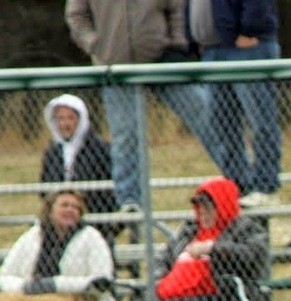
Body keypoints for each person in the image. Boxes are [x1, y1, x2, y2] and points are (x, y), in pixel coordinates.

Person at [73, 176, 267, 301]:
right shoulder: (190, 231)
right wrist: (160, 282)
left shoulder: (246, 229)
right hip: (177, 299)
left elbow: (254, 256)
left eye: (209, 208)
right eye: (200, 208)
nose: (203, 213)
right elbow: (164, 261)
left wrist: (213, 248)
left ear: (223, 205)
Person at [65, 0, 227, 212]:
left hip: (162, 60)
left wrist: (176, 43)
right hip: (115, 66)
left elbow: (177, 8)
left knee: (205, 114)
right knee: (126, 135)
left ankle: (239, 179)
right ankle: (130, 200)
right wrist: (95, 44)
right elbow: (77, 16)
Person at [186, 0, 283, 208]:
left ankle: (265, 186)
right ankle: (237, 186)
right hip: (213, 50)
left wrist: (249, 30)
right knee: (222, 124)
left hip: (247, 47)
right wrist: (194, 40)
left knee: (260, 119)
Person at [39, 93, 118, 242]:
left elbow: (108, 193)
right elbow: (44, 187)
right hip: (58, 224)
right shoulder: (53, 151)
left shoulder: (99, 149)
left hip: (95, 220)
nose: (65, 124)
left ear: (80, 120)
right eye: (61, 119)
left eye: (70, 118)